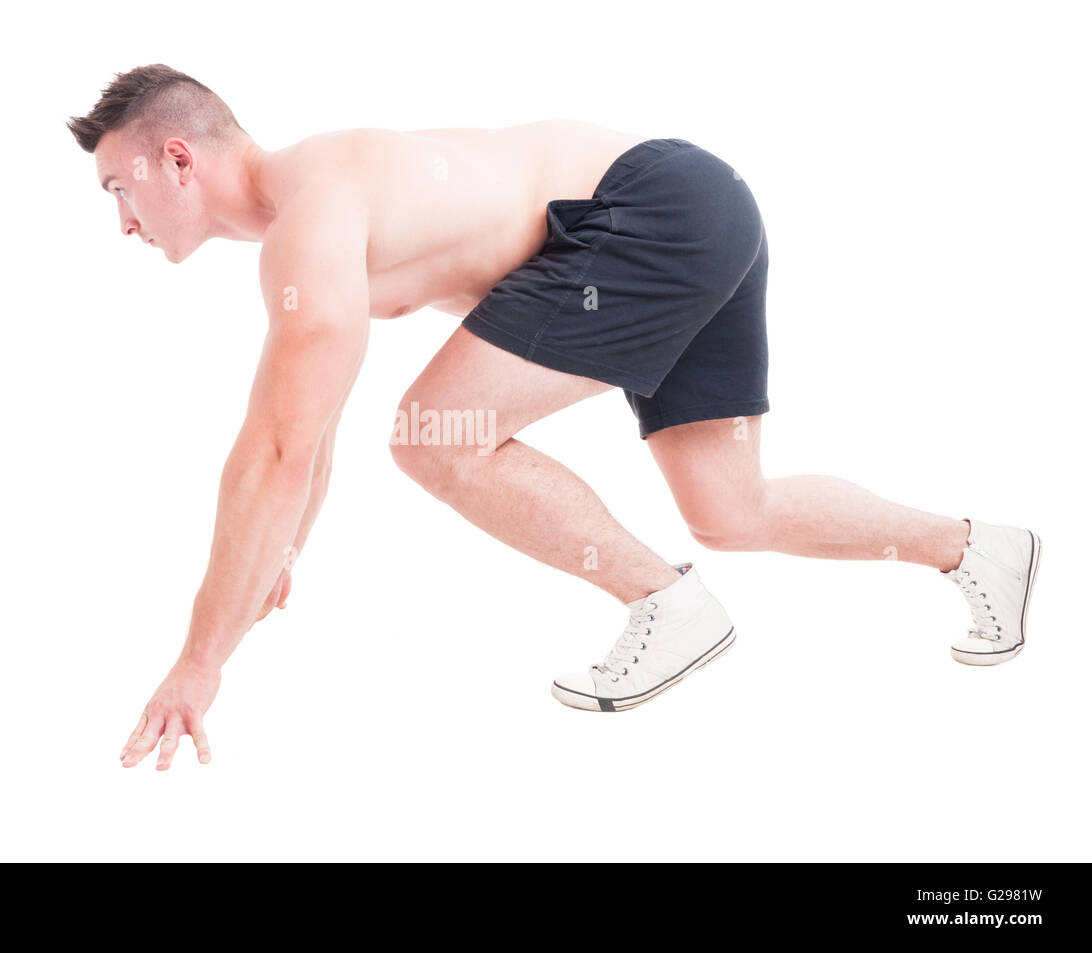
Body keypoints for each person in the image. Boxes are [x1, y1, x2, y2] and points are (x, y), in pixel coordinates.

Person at [67, 64, 1041, 766]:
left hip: (640, 212)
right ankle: (975, 548)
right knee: (729, 506)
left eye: (121, 188)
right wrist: (283, 554)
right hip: (698, 205)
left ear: (178, 158)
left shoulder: (309, 223)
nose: (122, 222)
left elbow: (275, 452)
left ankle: (666, 601)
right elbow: (306, 439)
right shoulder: (319, 223)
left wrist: (199, 664)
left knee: (430, 433)